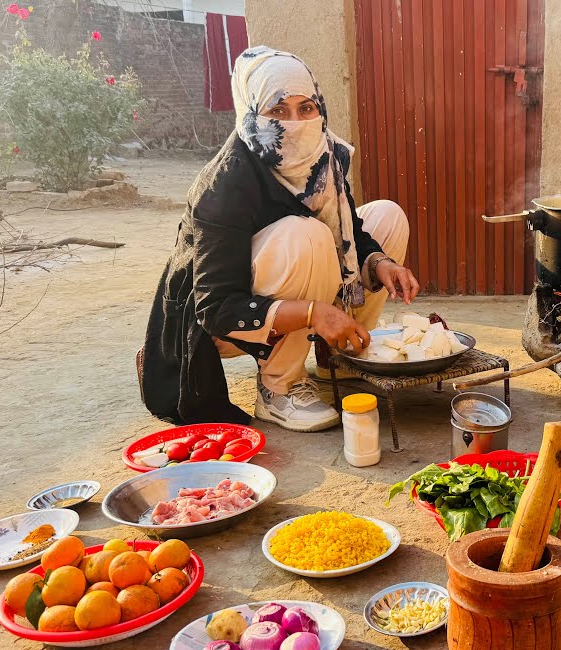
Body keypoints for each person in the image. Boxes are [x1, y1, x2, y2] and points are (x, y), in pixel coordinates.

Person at [139, 47, 420, 432]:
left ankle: (337, 355)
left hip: (291, 283)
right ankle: (279, 387)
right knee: (306, 235)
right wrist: (311, 313)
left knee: (387, 214)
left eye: (306, 108)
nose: (295, 123)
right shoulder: (226, 182)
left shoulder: (325, 156)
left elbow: (350, 231)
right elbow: (215, 307)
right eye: (277, 111)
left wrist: (379, 264)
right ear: (253, 113)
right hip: (223, 324)